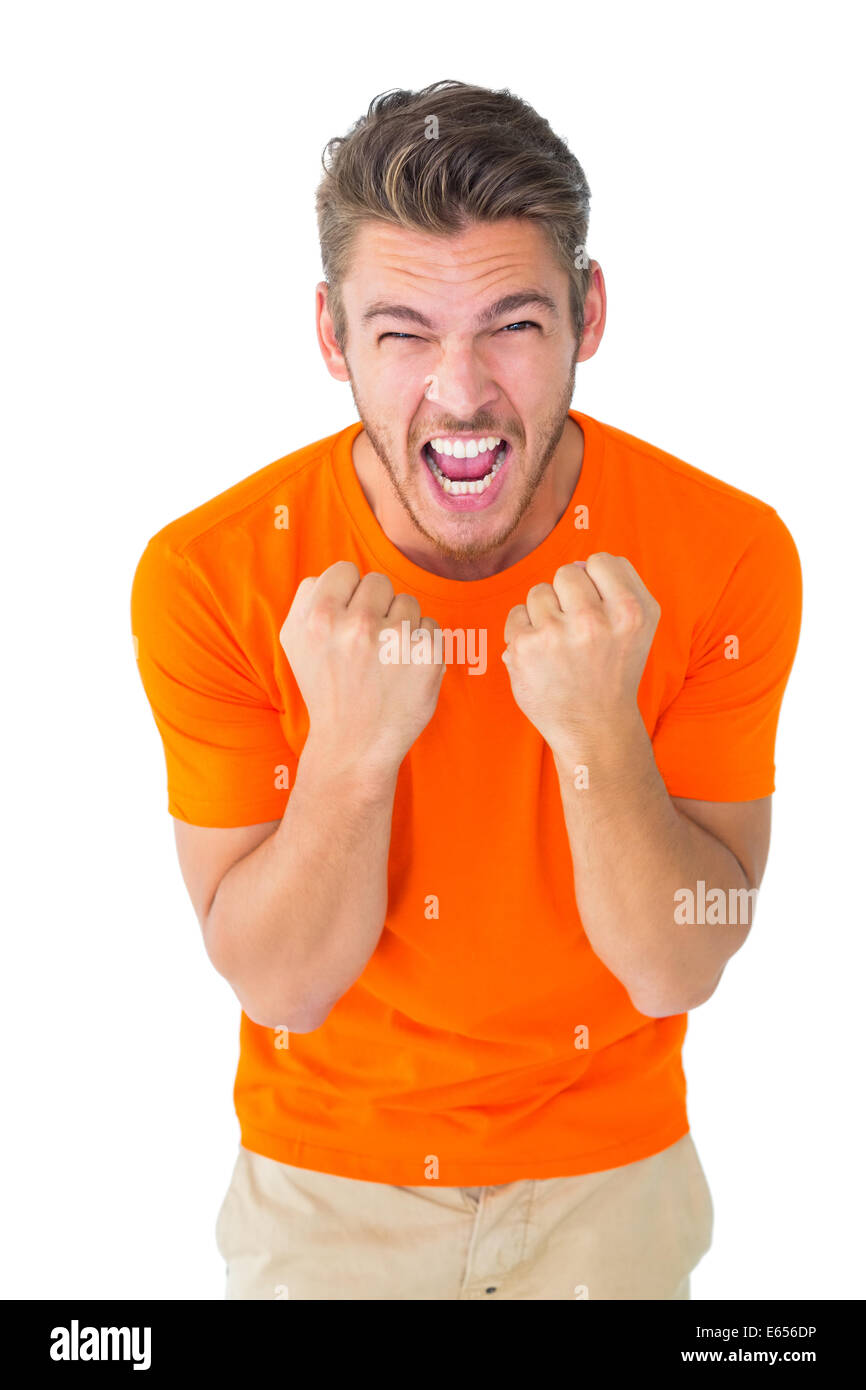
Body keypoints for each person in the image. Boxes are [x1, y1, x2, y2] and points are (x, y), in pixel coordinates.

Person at [130, 80, 802, 1300]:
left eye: (510, 324)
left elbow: (675, 967)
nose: (459, 392)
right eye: (400, 333)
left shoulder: (725, 552)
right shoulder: (210, 574)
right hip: (322, 1190)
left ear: (586, 314)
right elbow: (281, 982)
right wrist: (351, 749)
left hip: (614, 1186)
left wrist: (595, 725)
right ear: (330, 338)